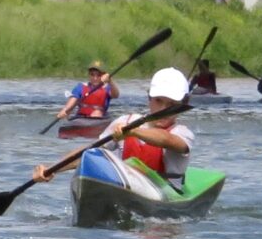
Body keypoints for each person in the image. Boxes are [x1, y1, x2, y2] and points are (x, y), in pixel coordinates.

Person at [36, 67, 195, 190]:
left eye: (172, 105)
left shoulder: (182, 132)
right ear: (149, 98)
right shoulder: (125, 121)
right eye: (158, 101)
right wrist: (51, 170)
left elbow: (167, 140)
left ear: (182, 105)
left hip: (166, 194)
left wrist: (133, 132)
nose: (163, 109)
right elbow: (88, 153)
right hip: (127, 188)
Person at [52, 61, 116, 126]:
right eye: (92, 74)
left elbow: (116, 95)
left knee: (97, 112)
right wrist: (64, 110)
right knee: (68, 112)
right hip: (81, 118)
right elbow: (73, 99)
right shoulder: (81, 87)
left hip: (99, 119)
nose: (95, 78)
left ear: (103, 76)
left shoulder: (108, 88)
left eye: (98, 75)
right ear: (89, 74)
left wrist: (110, 81)